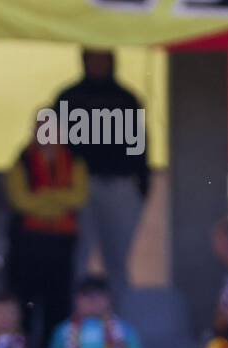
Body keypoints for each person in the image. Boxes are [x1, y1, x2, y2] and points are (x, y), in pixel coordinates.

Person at [53, 49, 149, 296]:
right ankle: (75, 326)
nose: (99, 64)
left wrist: (142, 185)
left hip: (120, 184)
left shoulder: (126, 98)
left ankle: (117, 329)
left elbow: (140, 144)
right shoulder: (69, 98)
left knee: (117, 261)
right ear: (84, 60)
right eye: (94, 58)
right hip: (79, 187)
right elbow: (55, 146)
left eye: (104, 58)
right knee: (77, 258)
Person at [5, 117, 88, 348]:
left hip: (61, 246)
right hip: (28, 246)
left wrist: (45, 196)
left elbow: (79, 197)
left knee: (58, 307)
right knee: (26, 307)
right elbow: (21, 200)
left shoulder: (74, 161)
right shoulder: (22, 162)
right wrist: (58, 199)